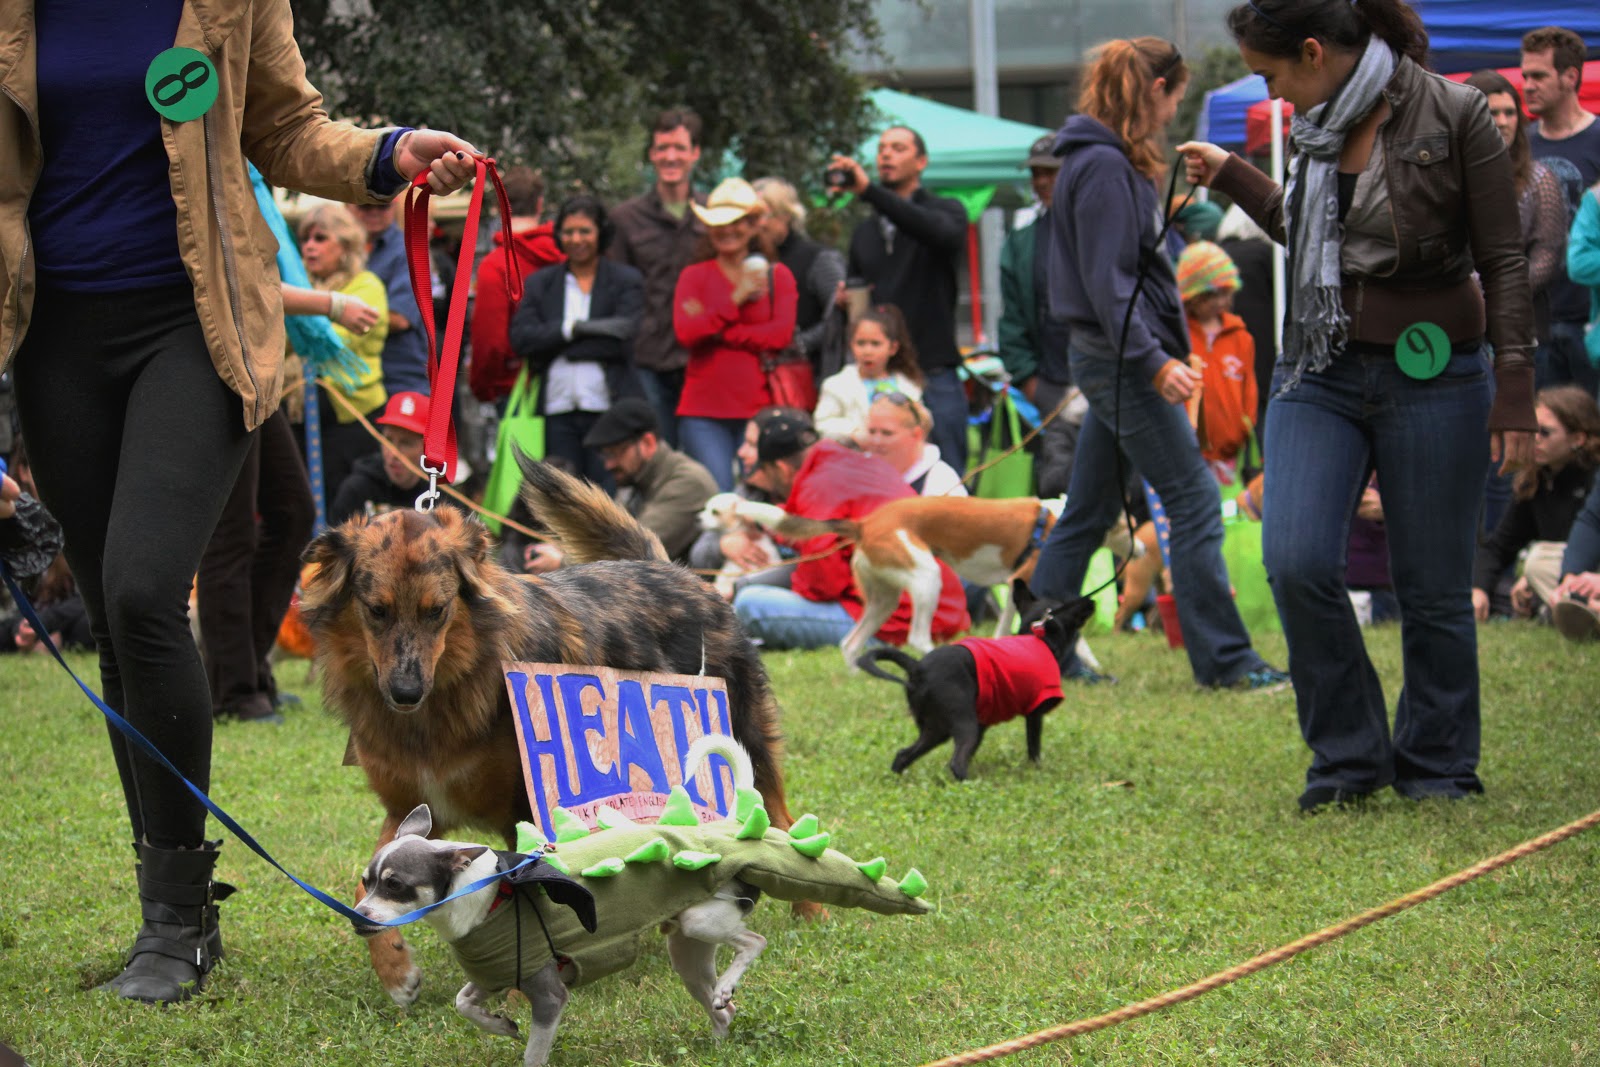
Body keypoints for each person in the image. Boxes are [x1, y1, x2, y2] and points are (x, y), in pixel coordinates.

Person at [1, 0, 480, 1003]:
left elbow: (290, 130)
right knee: (120, 631)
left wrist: (390, 150)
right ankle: (162, 903)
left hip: (197, 323)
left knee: (139, 592)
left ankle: (182, 922)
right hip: (51, 337)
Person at [1180, 0, 1536, 810]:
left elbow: (1504, 258)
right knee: (1297, 560)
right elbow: (1308, 233)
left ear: (1314, 52)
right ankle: (1348, 758)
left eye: (1271, 76)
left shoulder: (1455, 113)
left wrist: (1514, 383)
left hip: (1438, 373)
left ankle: (1438, 765)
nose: (1270, 95)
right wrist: (1233, 173)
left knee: (1434, 585)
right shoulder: (1309, 126)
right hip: (1319, 366)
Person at [1029, 36, 1285, 696]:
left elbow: (1119, 272)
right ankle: (1227, 663)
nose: (1175, 111)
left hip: (1106, 352)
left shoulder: (1093, 162)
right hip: (1120, 358)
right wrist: (1152, 361)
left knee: (1086, 511)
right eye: (1176, 97)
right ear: (1157, 90)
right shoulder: (1106, 169)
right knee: (1195, 499)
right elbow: (1112, 282)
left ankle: (1040, 653)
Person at [731, 409, 968, 650]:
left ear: (781, 468)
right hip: (942, 605)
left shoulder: (817, 489)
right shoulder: (855, 463)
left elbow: (822, 585)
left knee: (751, 603)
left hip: (899, 621)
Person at [830, 127, 970, 474]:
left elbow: (934, 231)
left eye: (897, 148)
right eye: (880, 149)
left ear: (921, 161)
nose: (886, 155)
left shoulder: (946, 211)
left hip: (934, 370)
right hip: (884, 377)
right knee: (881, 479)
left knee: (948, 477)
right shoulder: (865, 232)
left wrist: (869, 192)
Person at [1464, 70, 1569, 533]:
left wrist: (1493, 291)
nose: (1503, 120)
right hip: (1458, 331)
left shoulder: (1539, 178)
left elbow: (1548, 255)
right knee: (1469, 450)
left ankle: (1502, 569)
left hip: (1521, 334)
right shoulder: (1450, 177)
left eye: (1509, 111)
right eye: (1491, 111)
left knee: (1515, 453)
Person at [509, 195, 645, 489]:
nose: (576, 239)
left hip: (607, 406)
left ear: (600, 233)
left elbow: (624, 335)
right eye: (569, 231)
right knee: (565, 495)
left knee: (605, 496)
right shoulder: (542, 284)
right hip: (557, 408)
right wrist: (573, 329)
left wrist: (560, 341)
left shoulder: (624, 280)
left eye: (585, 231)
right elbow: (522, 338)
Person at [673, 178, 798, 492]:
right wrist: (735, 299)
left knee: (761, 496)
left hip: (760, 409)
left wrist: (718, 329)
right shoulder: (694, 275)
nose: (727, 230)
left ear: (754, 224)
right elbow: (687, 333)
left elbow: (779, 337)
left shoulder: (777, 275)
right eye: (718, 223)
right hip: (702, 411)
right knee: (717, 498)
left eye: (736, 222)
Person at [196, 403, 314, 725]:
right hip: (222, 367)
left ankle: (251, 671)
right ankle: (232, 692)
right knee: (231, 529)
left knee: (293, 512)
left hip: (257, 370)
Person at [609, 108, 708, 445]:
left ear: (695, 153)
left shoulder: (714, 215)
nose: (671, 157)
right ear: (652, 154)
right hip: (647, 357)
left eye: (679, 148)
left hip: (702, 359)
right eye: (663, 148)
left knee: (701, 459)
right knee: (658, 454)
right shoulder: (625, 218)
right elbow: (614, 288)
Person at [1471, 385, 1599, 620]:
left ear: (1578, 438)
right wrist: (1478, 589)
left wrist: (1534, 574)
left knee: (1538, 560)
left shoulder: (1593, 478)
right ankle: (1563, 610)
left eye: (1545, 432)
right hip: (1564, 576)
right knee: (1510, 584)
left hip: (1589, 574)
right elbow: (1499, 546)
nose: (1535, 440)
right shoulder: (1536, 480)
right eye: (1532, 431)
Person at [1521, 27, 1600, 396]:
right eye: (1525, 76)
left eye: (1539, 75)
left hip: (1592, 320)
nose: (1528, 85)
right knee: (1542, 441)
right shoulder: (1521, 143)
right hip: (1536, 321)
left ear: (1570, 77)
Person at [298, 203, 390, 496]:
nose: (310, 247)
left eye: (321, 238)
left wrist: (301, 313)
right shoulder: (299, 287)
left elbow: (327, 343)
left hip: (353, 418)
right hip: (300, 414)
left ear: (347, 246)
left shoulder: (366, 286)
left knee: (341, 509)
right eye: (305, 239)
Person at [469, 165, 564, 406]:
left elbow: (491, 341)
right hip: (567, 382)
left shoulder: (496, 265)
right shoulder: (566, 257)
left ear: (499, 207)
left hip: (516, 389)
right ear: (540, 204)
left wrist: (482, 387)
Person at [581, 397, 718, 563]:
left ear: (648, 442)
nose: (609, 464)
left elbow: (632, 549)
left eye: (616, 453)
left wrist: (562, 561)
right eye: (605, 455)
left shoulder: (687, 482)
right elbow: (605, 533)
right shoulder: (634, 477)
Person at [998, 135, 1072, 415]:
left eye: (1050, 172)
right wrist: (1029, 382)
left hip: (1104, 379)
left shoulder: (1099, 228)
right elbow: (1011, 317)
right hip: (1051, 382)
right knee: (1057, 459)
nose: (1041, 182)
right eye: (1035, 173)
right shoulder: (1023, 241)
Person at [754, 177, 848, 378]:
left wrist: (800, 344)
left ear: (785, 215)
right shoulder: (747, 261)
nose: (758, 224)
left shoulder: (818, 259)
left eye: (764, 214)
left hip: (808, 378)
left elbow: (838, 320)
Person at [1177, 240, 1259, 470]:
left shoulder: (1240, 336)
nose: (1221, 302)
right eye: (1212, 295)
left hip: (1230, 453)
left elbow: (1249, 389)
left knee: (1227, 505)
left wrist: (1245, 425)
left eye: (1226, 293)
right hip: (1186, 451)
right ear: (1192, 296)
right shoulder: (1180, 336)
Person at [327, 391, 464, 525]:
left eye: (406, 443)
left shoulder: (442, 497)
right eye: (388, 440)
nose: (393, 454)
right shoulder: (357, 490)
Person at [348, 199, 432, 397]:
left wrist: (336, 313)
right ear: (349, 206)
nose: (374, 211)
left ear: (394, 206)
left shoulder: (408, 248)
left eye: (383, 205)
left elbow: (400, 318)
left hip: (399, 377)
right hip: (357, 380)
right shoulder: (346, 250)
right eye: (365, 205)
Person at [814, 305, 924, 445]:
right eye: (861, 343)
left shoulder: (908, 385)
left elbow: (922, 421)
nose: (867, 351)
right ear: (851, 345)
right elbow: (823, 423)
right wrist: (855, 433)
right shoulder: (837, 385)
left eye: (875, 344)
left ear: (893, 348)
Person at [861, 392, 966, 497]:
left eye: (887, 433)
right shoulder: (860, 471)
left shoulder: (941, 483)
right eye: (872, 431)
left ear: (917, 434)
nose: (876, 441)